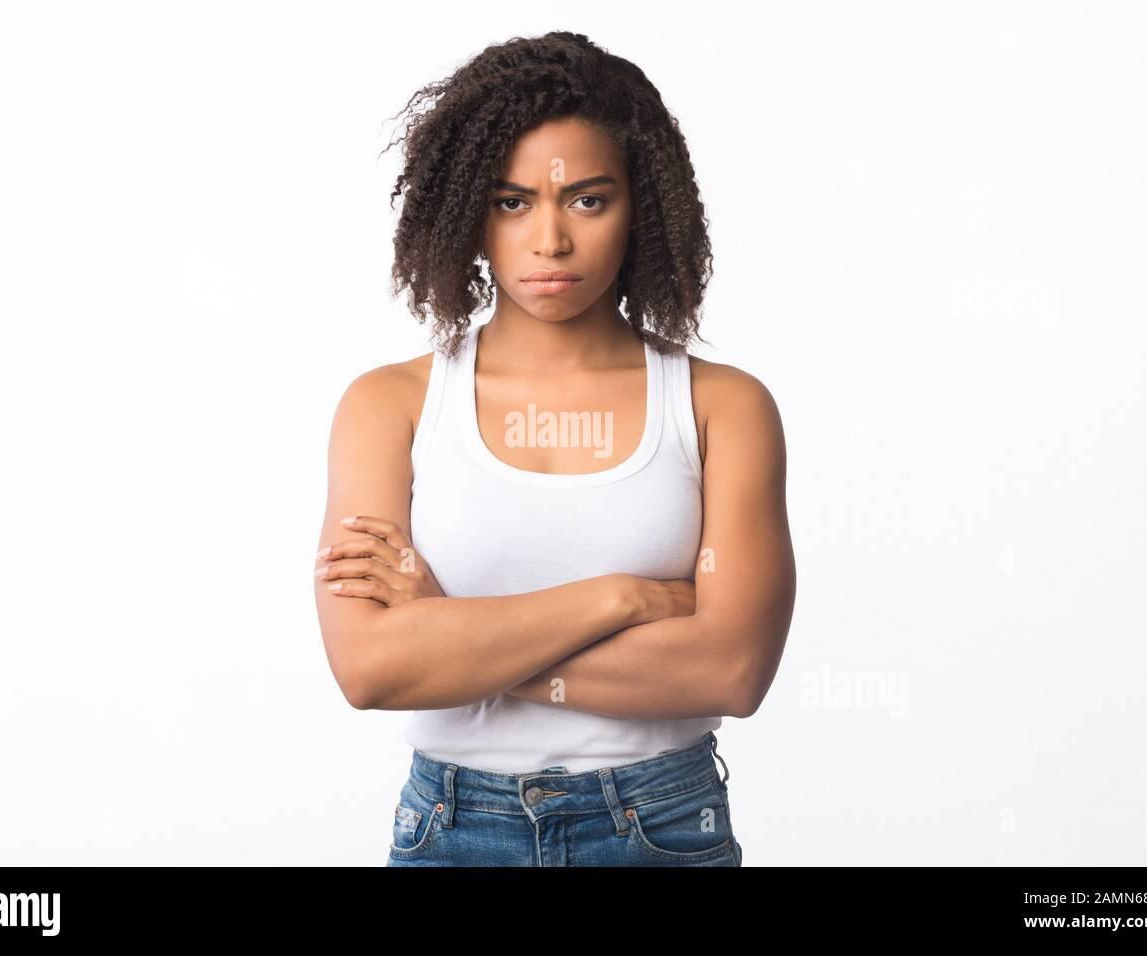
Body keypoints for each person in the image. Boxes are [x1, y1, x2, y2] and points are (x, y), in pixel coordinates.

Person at [313, 31, 795, 866]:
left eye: (587, 200)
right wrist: (624, 599)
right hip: (453, 829)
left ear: (641, 205)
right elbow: (371, 669)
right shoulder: (388, 407)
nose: (549, 241)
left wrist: (447, 636)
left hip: (662, 827)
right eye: (511, 202)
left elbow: (732, 669)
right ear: (467, 210)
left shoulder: (723, 408)